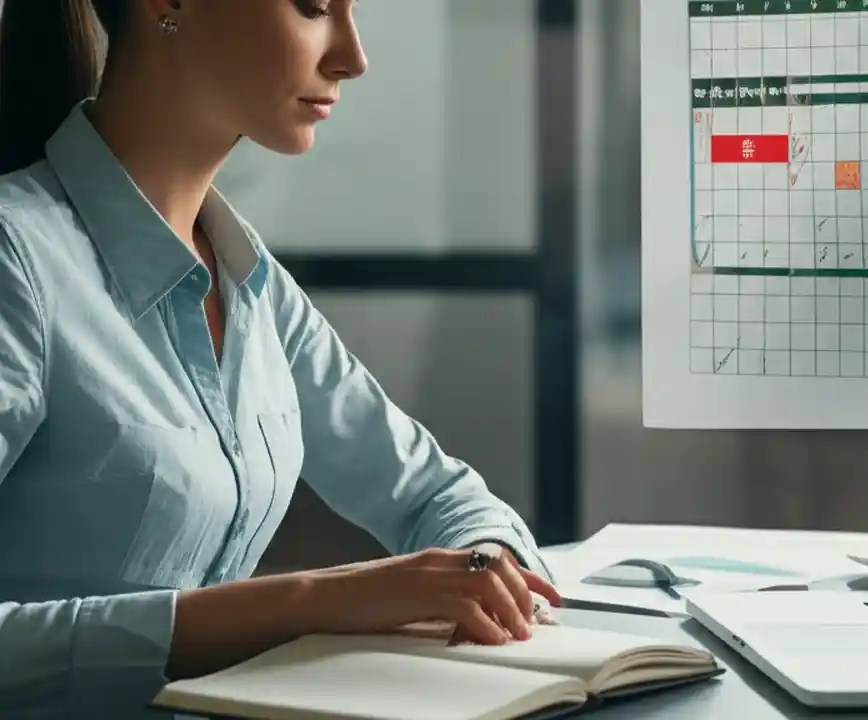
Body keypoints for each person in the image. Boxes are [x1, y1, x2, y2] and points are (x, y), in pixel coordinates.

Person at [0, 0, 562, 716]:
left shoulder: (251, 283)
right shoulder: (17, 263)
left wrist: (485, 569)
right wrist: (311, 602)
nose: (352, 58)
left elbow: (437, 494)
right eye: (315, 7)